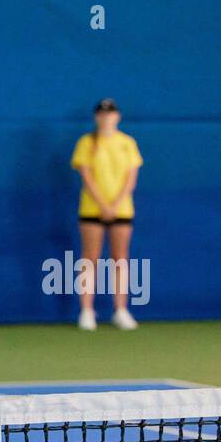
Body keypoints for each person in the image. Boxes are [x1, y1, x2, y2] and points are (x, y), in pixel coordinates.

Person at [71, 98, 143, 330]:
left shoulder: (128, 143)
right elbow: (87, 175)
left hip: (122, 209)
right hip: (92, 208)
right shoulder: (87, 142)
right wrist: (103, 204)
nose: (106, 118)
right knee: (90, 258)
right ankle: (86, 311)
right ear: (96, 117)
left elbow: (131, 177)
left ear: (117, 117)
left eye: (111, 113)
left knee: (120, 259)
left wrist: (116, 204)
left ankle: (121, 310)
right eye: (102, 114)